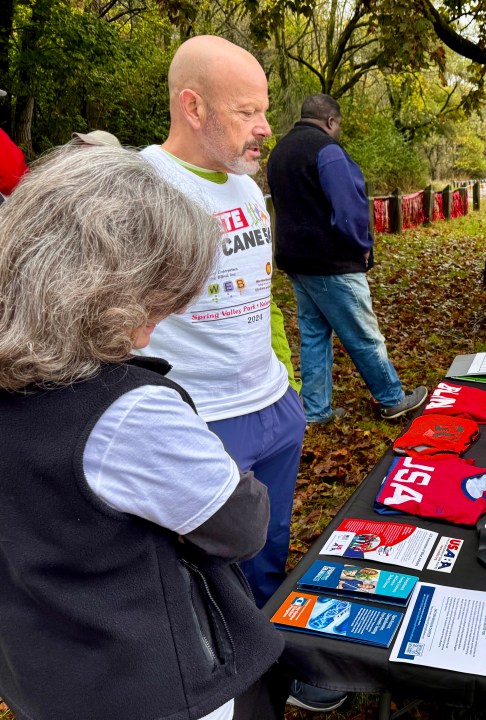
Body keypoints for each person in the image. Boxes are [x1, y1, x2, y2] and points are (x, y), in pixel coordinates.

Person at [0, 145, 283, 720]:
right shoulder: (125, 414)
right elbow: (240, 525)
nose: (150, 335)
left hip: (42, 669)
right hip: (154, 679)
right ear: (93, 293)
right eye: (150, 308)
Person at [139, 36, 347, 713]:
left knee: (267, 551)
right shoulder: (139, 190)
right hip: (199, 420)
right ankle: (227, 685)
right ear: (192, 106)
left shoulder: (245, 185)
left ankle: (272, 661)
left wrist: (285, 384)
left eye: (265, 110)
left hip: (272, 410)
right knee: (207, 568)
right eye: (248, 111)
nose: (265, 127)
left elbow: (261, 291)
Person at [267, 93, 427, 425]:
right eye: (338, 125)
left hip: (296, 261)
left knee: (313, 335)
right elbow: (349, 208)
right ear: (330, 121)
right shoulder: (327, 151)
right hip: (332, 261)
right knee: (363, 333)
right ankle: (393, 399)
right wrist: (362, 244)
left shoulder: (279, 152)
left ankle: (315, 409)